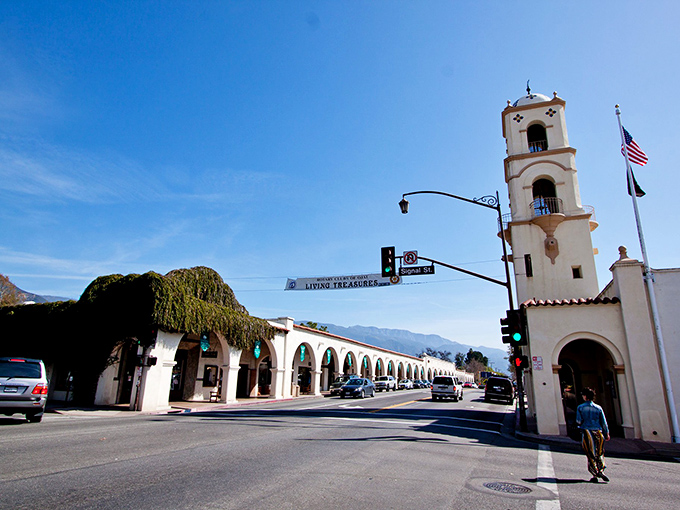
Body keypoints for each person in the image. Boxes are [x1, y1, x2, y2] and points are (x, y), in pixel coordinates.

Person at [576, 387, 610, 483]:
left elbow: (578, 421)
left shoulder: (581, 408)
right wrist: (606, 433)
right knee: (599, 452)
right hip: (598, 431)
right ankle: (601, 470)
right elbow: (603, 422)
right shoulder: (598, 408)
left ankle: (595, 473)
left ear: (585, 396)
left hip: (587, 432)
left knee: (590, 453)